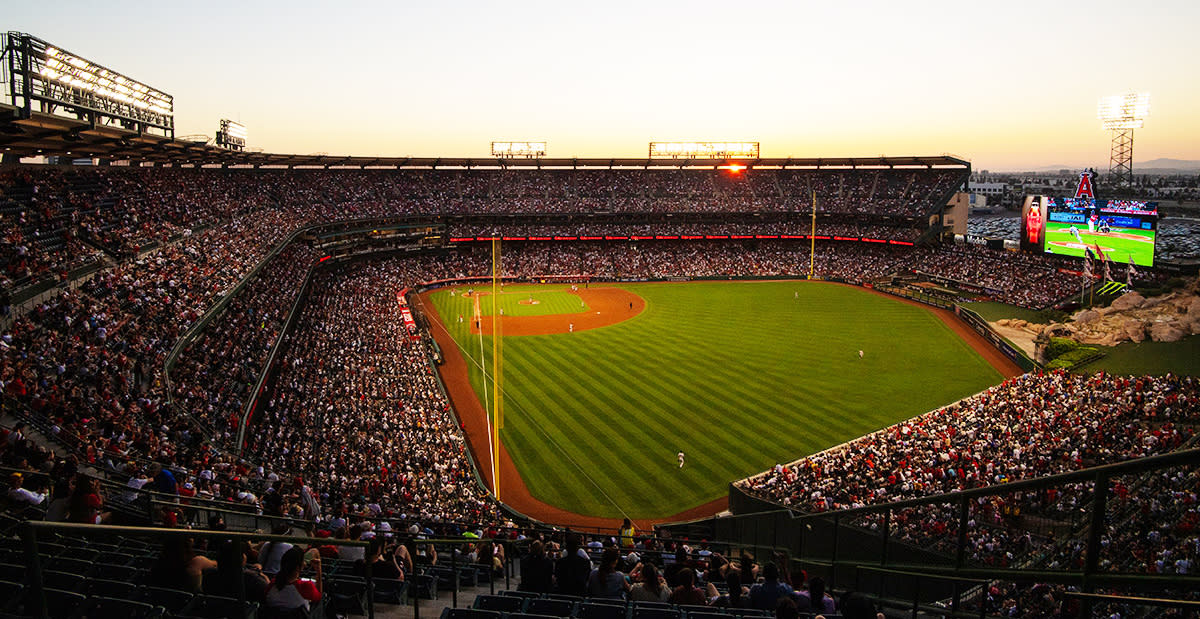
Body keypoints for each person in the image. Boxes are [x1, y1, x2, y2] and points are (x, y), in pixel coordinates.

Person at [264, 546, 323, 616]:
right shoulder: (305, 586)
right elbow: (319, 597)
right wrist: (318, 570)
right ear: (299, 566)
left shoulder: (273, 584)